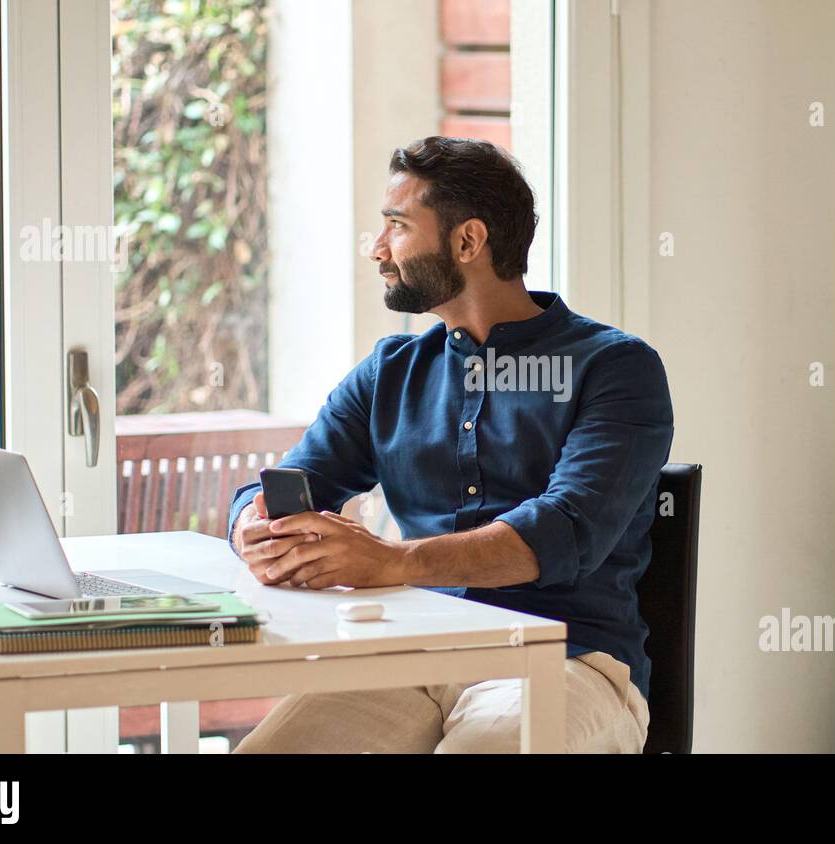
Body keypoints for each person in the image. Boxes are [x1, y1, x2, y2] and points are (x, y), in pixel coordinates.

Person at [228, 136, 673, 753]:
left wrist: (396, 562)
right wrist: (251, 524)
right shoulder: (391, 370)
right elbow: (293, 482)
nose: (377, 250)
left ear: (467, 242)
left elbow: (568, 529)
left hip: (565, 661)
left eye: (397, 228)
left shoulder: (616, 368)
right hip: (413, 653)